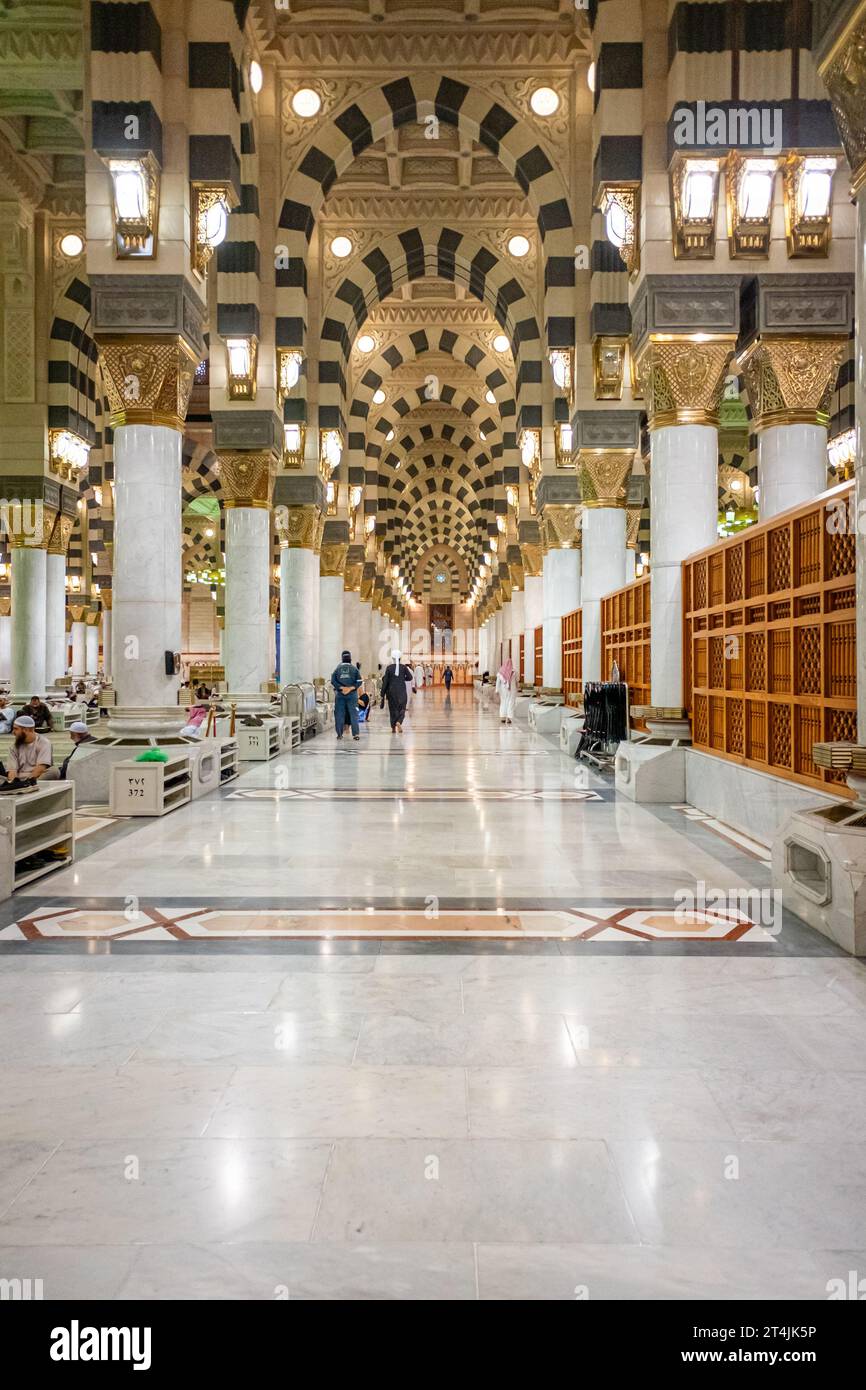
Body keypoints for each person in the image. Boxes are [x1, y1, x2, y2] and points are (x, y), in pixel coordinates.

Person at [0, 715, 53, 789]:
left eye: (16, 729)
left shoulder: (44, 743)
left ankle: (27, 786)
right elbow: (12, 771)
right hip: (18, 779)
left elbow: (40, 768)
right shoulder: (13, 747)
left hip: (36, 778)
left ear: (26, 730)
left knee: (53, 771)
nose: (13, 732)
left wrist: (28, 781)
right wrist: (12, 782)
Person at [330, 649, 363, 741]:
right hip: (352, 695)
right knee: (354, 714)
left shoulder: (337, 669)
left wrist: (341, 688)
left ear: (342, 658)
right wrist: (351, 688)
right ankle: (356, 734)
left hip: (340, 695)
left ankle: (339, 734)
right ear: (350, 659)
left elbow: (333, 681)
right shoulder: (354, 669)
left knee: (339, 714)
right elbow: (359, 681)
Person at [380, 651, 415, 733]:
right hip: (402, 692)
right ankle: (399, 722)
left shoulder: (389, 668)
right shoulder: (404, 667)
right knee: (402, 709)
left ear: (392, 658)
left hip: (391, 693)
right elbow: (410, 677)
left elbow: (385, 682)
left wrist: (382, 694)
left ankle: (393, 728)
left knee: (393, 710)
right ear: (400, 658)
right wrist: (403, 679)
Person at [495, 655, 518, 724]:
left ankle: (503, 717)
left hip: (503, 690)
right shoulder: (514, 672)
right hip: (512, 689)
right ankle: (508, 718)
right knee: (511, 703)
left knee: (503, 702)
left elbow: (497, 682)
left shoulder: (500, 672)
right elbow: (517, 681)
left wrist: (497, 690)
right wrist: (517, 688)